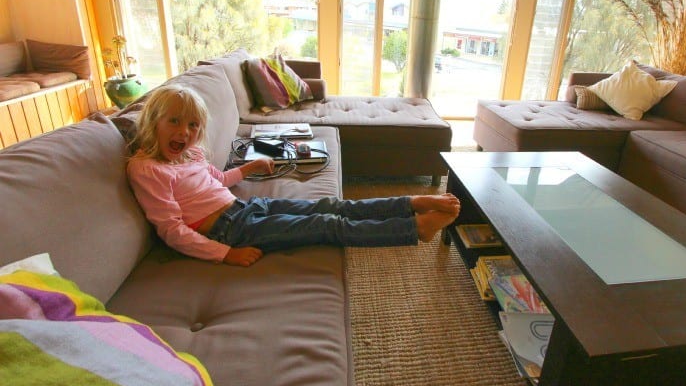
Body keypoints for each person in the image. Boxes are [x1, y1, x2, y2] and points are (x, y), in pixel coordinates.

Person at [126, 84, 460, 267]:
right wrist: (225, 254)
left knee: (331, 205)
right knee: (326, 225)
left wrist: (248, 168)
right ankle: (413, 229)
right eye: (174, 122)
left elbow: (216, 179)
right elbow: (172, 231)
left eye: (193, 125)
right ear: (152, 120)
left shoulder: (191, 153)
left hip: (245, 208)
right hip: (231, 231)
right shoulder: (147, 169)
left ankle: (409, 203)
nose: (184, 132)